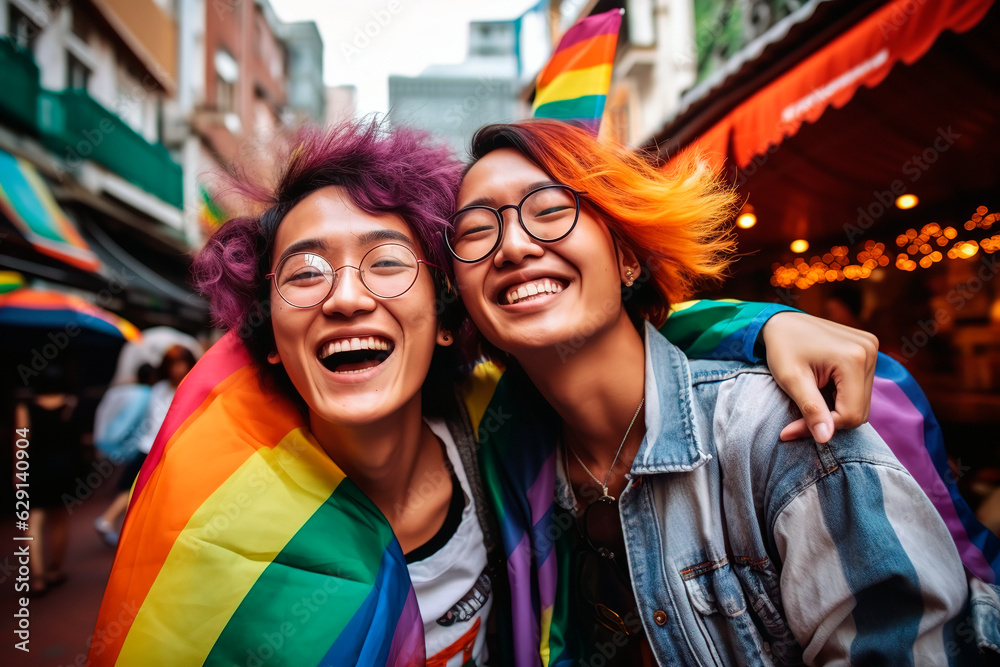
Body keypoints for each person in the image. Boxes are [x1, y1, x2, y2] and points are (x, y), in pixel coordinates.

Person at [89, 120, 883, 666]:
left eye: (387, 262)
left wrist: (767, 324)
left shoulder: (502, 432)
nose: (344, 296)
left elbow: (615, 336)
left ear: (445, 315)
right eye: (303, 271)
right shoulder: (221, 517)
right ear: (267, 329)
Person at [445, 120, 1000, 665]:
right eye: (475, 231)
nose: (513, 246)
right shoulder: (502, 464)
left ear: (627, 257)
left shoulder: (781, 429)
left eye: (550, 212)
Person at [94, 347, 195, 546]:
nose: (177, 369)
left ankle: (119, 525)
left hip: (174, 449)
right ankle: (118, 525)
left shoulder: (191, 386)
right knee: (137, 488)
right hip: (153, 448)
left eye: (181, 363)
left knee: (148, 492)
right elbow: (157, 422)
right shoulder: (160, 389)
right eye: (173, 364)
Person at [14, 363, 88, 595]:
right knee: (59, 519)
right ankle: (54, 571)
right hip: (65, 469)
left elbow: (20, 442)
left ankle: (36, 576)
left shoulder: (26, 408)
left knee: (33, 520)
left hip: (35, 468)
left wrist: (17, 471)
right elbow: (81, 440)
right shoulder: (70, 405)